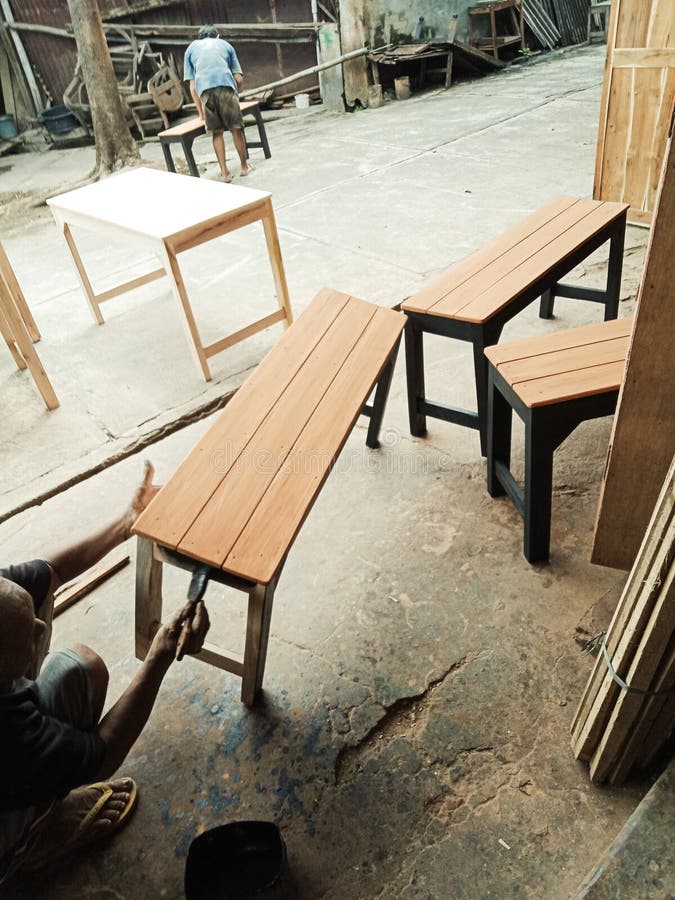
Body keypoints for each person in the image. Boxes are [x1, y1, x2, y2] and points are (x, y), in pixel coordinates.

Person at [0, 462, 210, 881]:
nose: (43, 627)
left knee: (81, 667)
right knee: (63, 751)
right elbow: (103, 757)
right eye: (28, 636)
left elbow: (50, 572)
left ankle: (37, 793)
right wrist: (160, 656)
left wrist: (127, 522)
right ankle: (25, 842)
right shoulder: (11, 735)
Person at [183, 24, 252, 182]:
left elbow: (193, 87)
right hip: (227, 87)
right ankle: (244, 167)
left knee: (217, 132)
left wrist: (201, 114)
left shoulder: (191, 49)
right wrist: (236, 94)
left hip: (205, 91)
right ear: (217, 36)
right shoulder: (225, 45)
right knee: (236, 129)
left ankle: (224, 173)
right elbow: (239, 78)